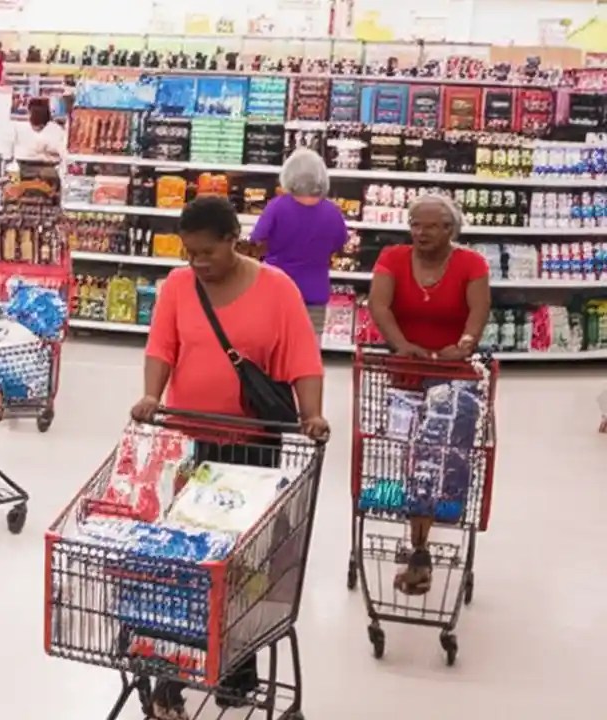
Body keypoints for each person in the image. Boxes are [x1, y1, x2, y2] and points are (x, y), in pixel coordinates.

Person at [129, 196, 328, 720]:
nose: (197, 263)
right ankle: (174, 672)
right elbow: (162, 346)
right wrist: (152, 397)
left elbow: (302, 359)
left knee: (244, 563)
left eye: (206, 252)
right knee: (185, 561)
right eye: (189, 253)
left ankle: (238, 665)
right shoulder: (177, 287)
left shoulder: (277, 289)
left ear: (234, 240)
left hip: (253, 447)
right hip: (190, 445)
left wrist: (312, 415)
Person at [367, 193, 490, 595]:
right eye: (415, 224)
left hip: (454, 376)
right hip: (406, 374)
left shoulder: (471, 264)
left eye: (430, 225)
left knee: (440, 457)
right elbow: (379, 305)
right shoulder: (393, 257)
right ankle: (419, 545)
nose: (420, 232)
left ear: (449, 230)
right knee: (410, 456)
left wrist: (467, 344)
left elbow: (477, 311)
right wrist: (401, 346)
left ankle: (419, 544)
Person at [249, 148, 349, 336]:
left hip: (275, 291)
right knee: (308, 350)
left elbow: (257, 241)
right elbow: (340, 244)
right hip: (315, 292)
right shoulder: (332, 212)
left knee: (272, 349)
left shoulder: (277, 207)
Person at [13, 97, 66, 162]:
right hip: (25, 165)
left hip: (48, 167)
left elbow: (60, 153)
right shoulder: (21, 128)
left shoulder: (55, 130)